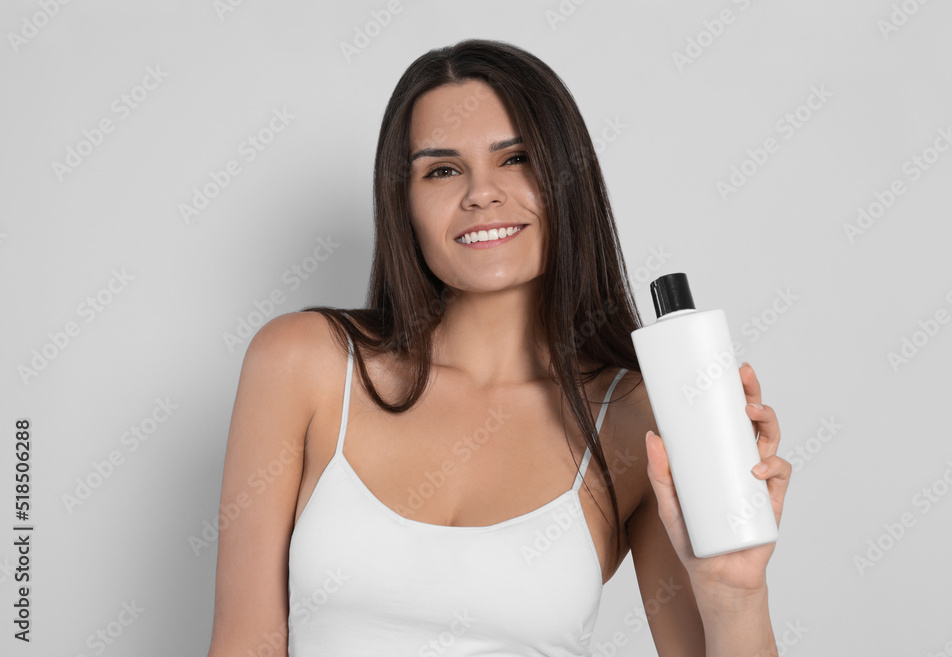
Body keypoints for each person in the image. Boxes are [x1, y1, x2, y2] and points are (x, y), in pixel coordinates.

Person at [206, 38, 791, 657]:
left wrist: (736, 590)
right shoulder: (305, 362)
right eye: (442, 169)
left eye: (515, 159)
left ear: (568, 181)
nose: (481, 193)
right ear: (402, 203)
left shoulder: (635, 419)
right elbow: (242, 645)